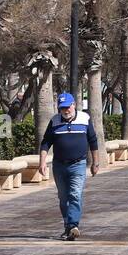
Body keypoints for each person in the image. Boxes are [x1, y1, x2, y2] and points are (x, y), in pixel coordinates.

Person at [37, 91, 100, 240]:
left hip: (78, 164)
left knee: (75, 194)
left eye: (68, 107)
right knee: (63, 196)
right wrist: (42, 162)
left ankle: (73, 225)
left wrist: (95, 162)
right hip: (59, 165)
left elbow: (93, 141)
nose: (65, 110)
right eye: (62, 108)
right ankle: (67, 225)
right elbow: (46, 142)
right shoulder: (54, 121)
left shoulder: (85, 119)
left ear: (74, 105)